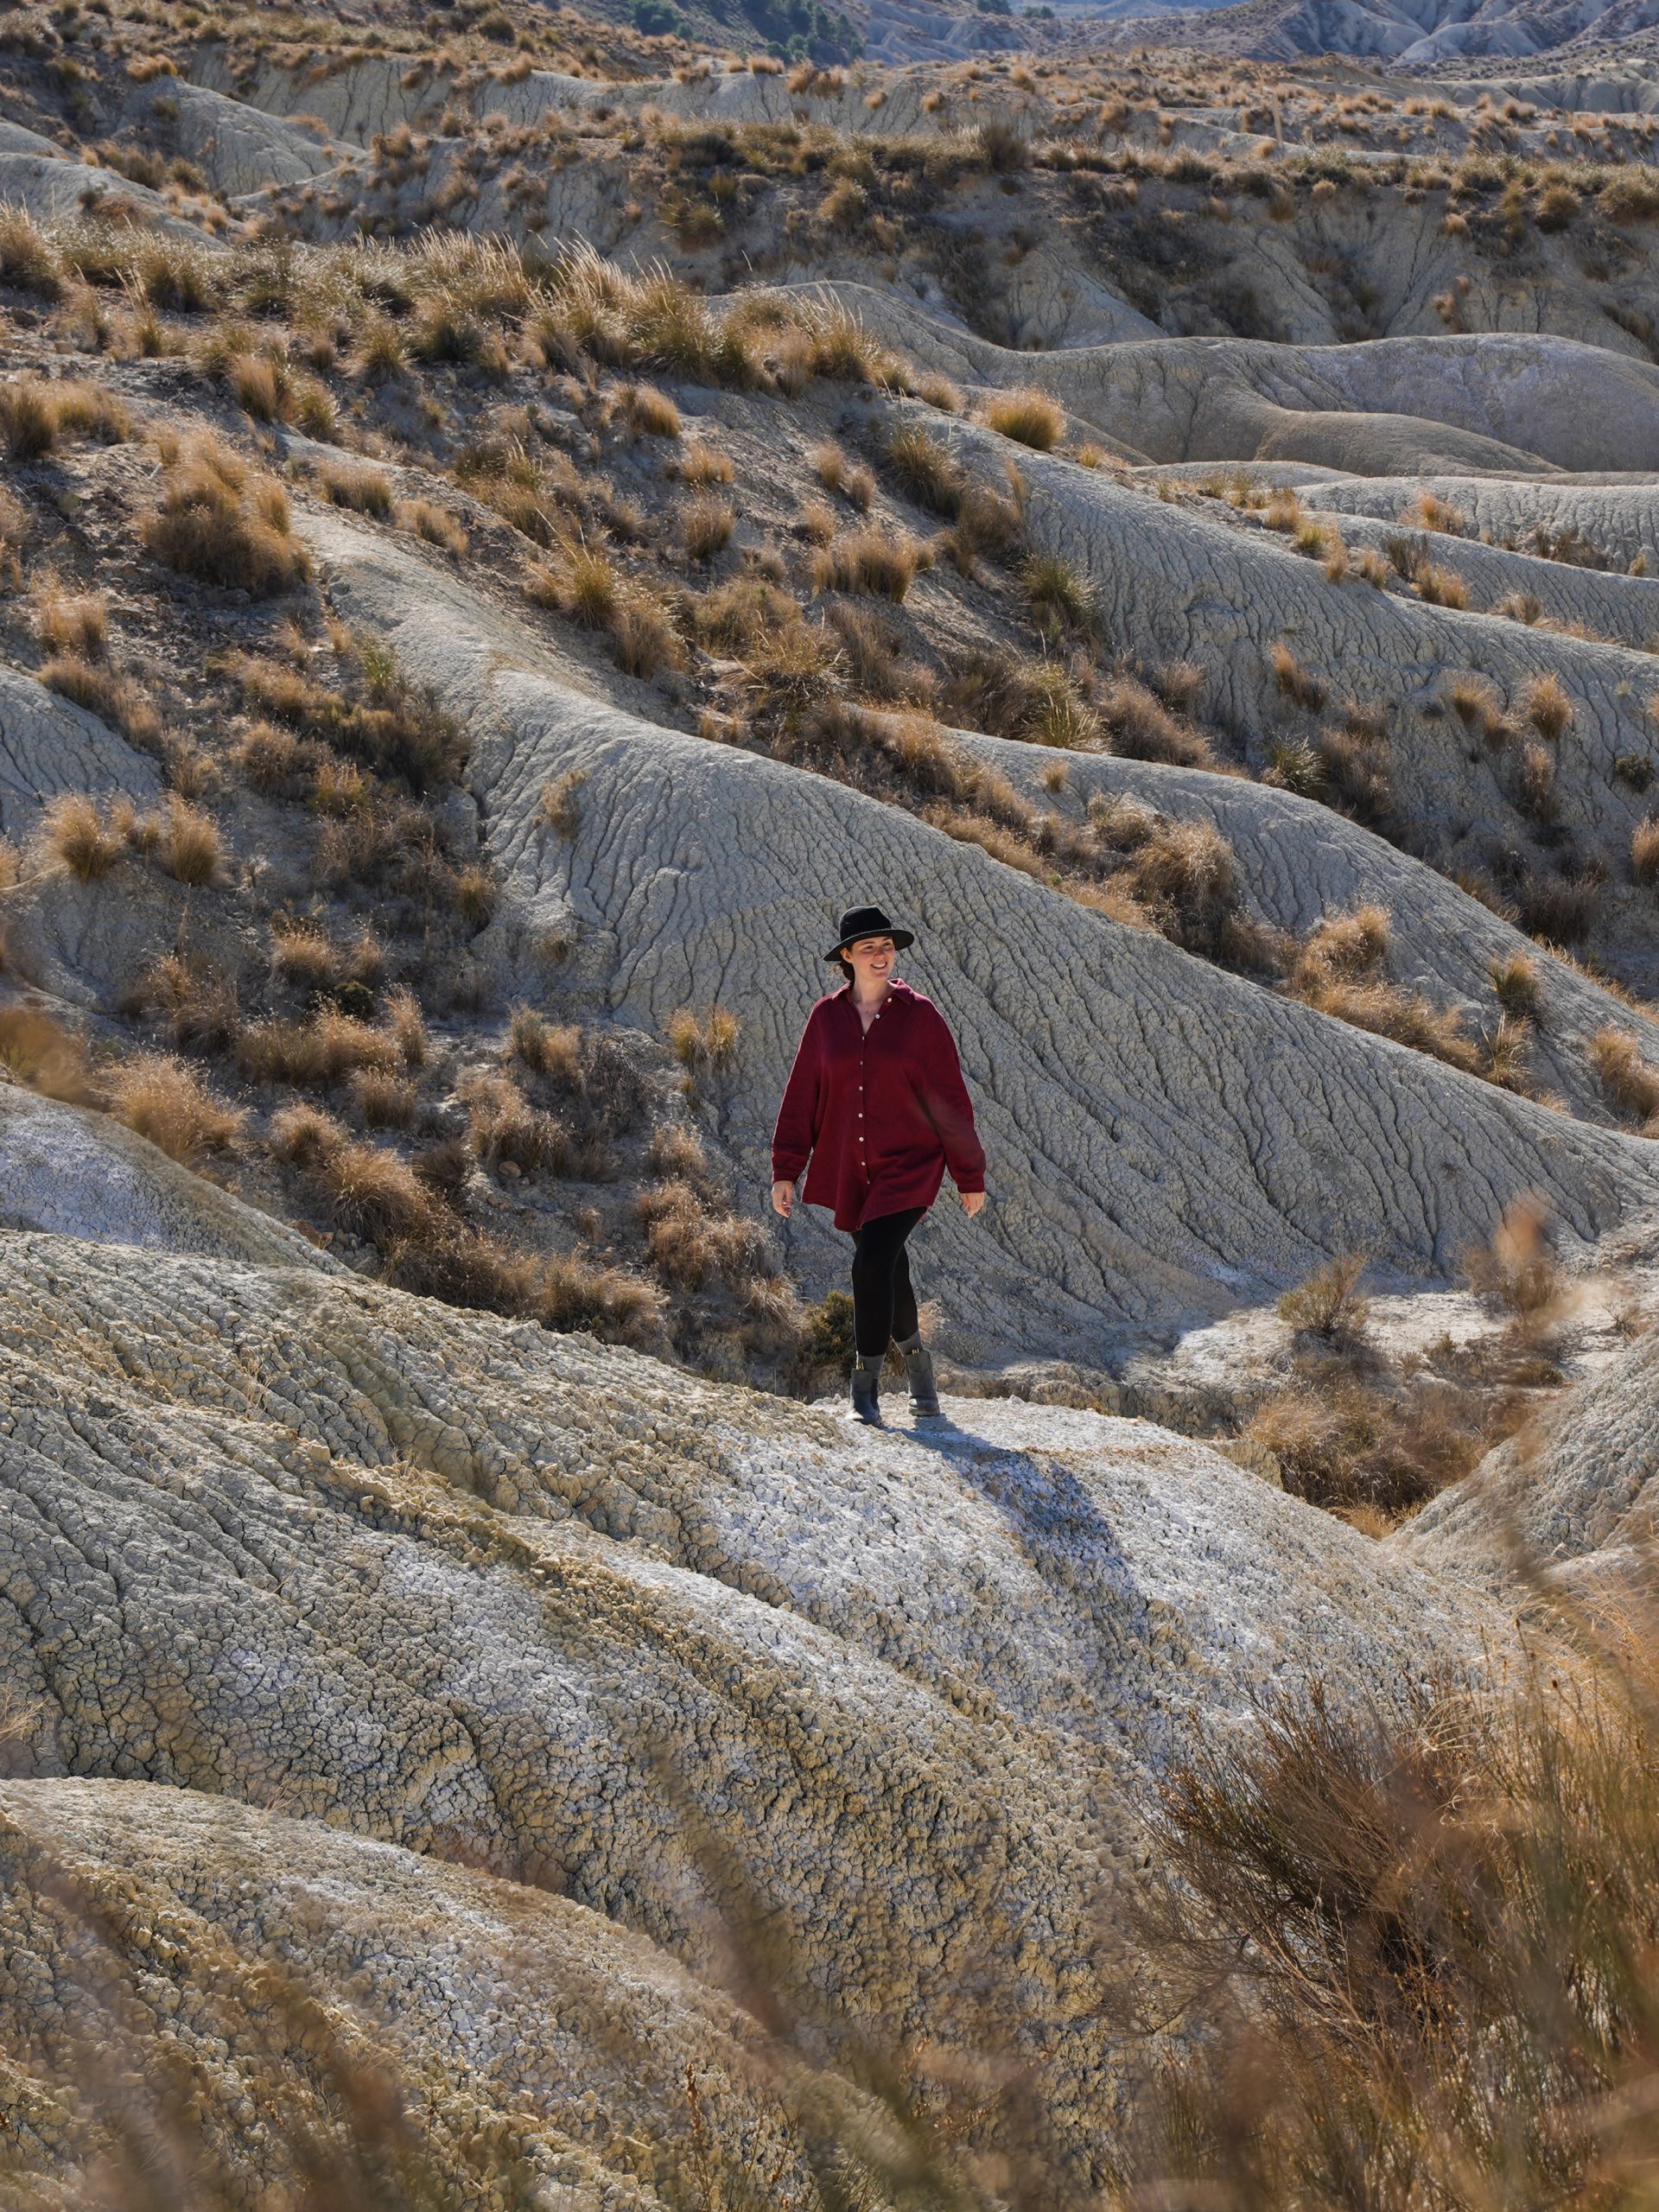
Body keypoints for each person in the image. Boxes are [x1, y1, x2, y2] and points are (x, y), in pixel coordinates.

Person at [771, 903, 986, 1426]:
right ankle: (920, 1371)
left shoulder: (920, 1016)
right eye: (868, 947)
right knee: (890, 1269)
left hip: (911, 1166)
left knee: (870, 1263)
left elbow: (950, 1100)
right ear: (847, 957)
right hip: (851, 1168)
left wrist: (968, 1174)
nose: (881, 955)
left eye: (887, 945)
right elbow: (803, 1094)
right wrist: (786, 1169)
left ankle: (864, 1385)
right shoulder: (825, 1019)